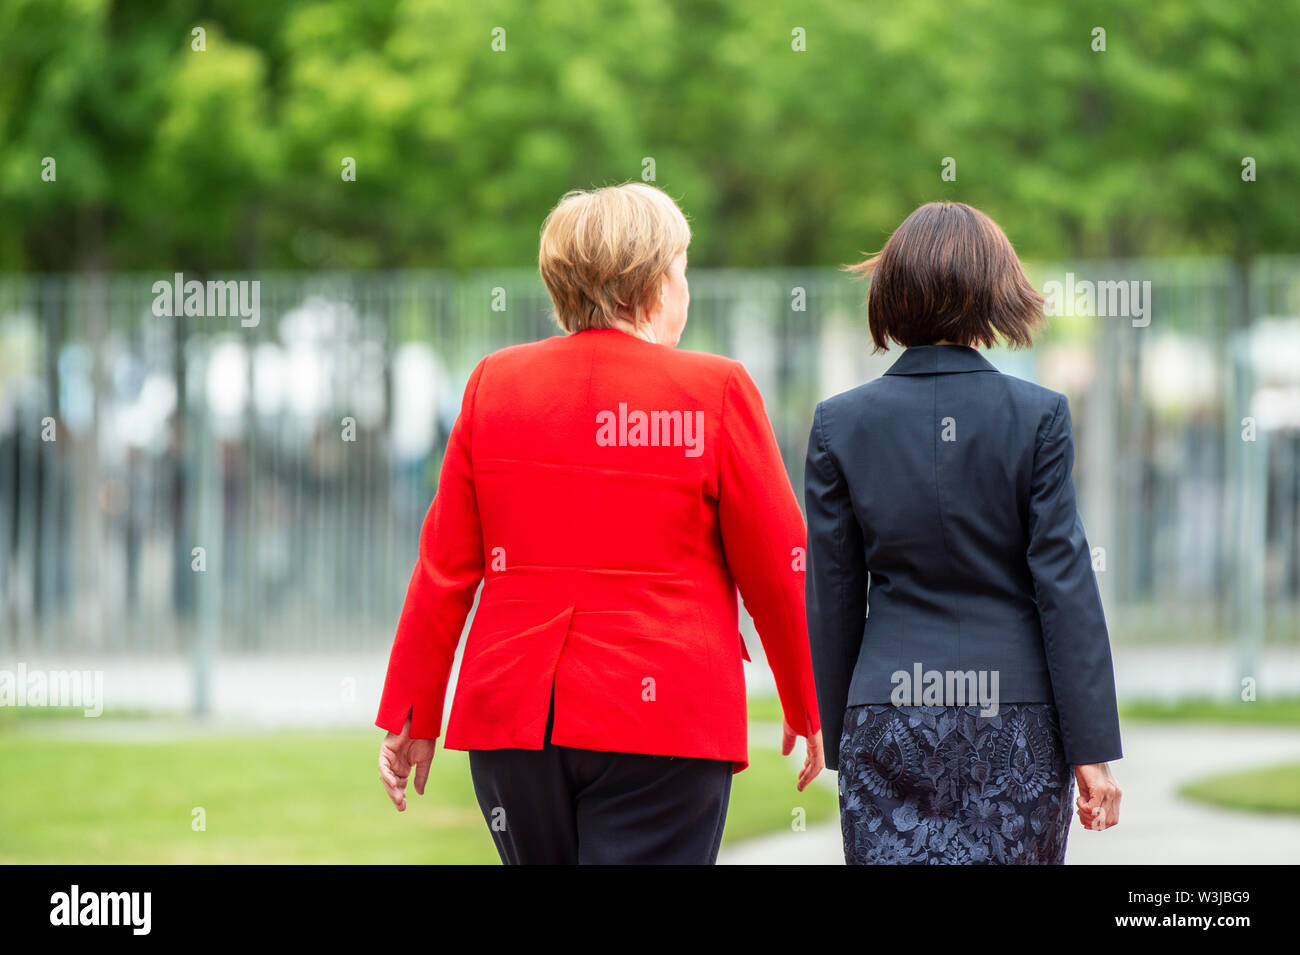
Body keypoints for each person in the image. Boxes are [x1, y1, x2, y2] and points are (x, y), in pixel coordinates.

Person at [377, 182, 823, 864]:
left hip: (517, 726)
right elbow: (780, 566)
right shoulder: (716, 391)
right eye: (680, 270)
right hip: (665, 719)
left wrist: (413, 709)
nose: (686, 290)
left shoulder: (494, 383)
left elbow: (444, 566)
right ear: (648, 284)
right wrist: (805, 700)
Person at [805, 201, 1123, 865]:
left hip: (889, 712)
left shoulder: (841, 424)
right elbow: (1064, 586)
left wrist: (843, 733)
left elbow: (832, 594)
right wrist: (1090, 747)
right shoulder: (1038, 418)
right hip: (1015, 720)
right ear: (993, 290)